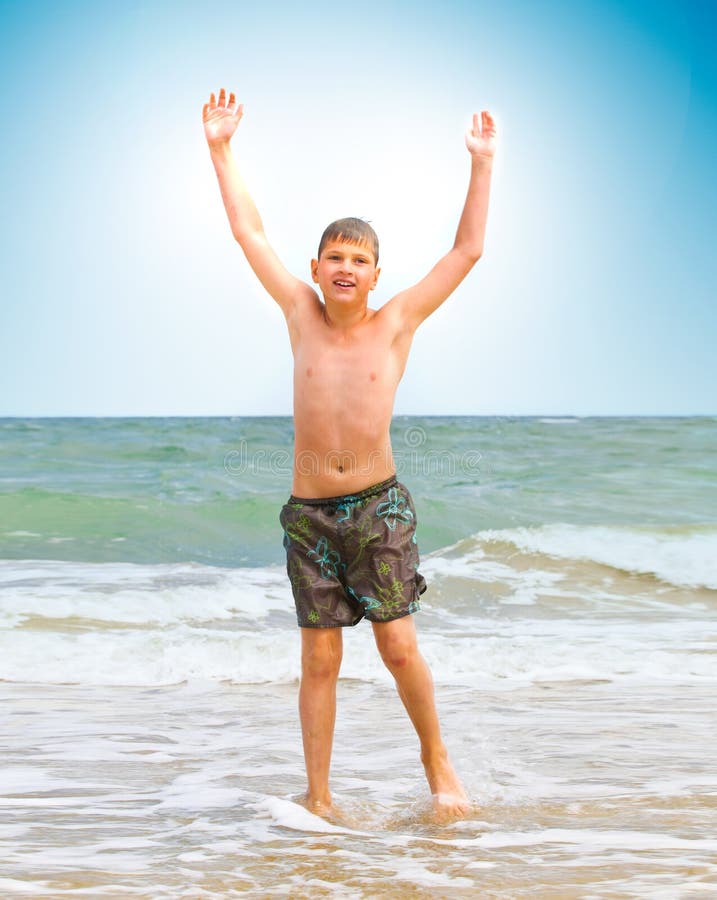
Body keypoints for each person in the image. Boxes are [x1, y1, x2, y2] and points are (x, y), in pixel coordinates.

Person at [203, 88, 496, 821]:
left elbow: (467, 251)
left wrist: (481, 164)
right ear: (316, 264)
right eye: (334, 255)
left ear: (374, 274)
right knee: (319, 659)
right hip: (308, 517)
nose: (344, 266)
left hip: (377, 506)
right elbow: (249, 234)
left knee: (397, 647)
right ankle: (320, 795)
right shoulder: (298, 312)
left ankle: (437, 763)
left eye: (358, 259)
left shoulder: (397, 322)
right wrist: (220, 149)